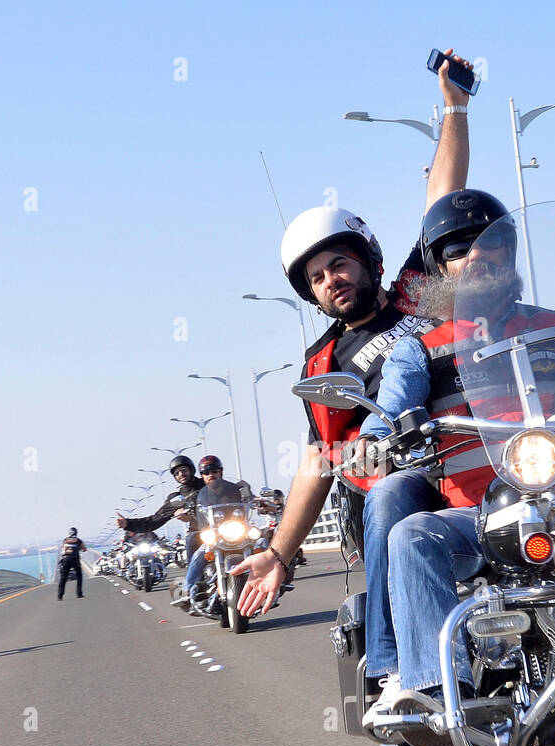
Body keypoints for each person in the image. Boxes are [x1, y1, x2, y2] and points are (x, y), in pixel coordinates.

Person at [358, 190, 555, 746]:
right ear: (439, 266)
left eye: (493, 244)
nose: (478, 256)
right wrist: (377, 441)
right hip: (483, 515)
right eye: (459, 248)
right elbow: (384, 416)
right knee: (412, 534)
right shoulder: (418, 352)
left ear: (511, 255)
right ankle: (438, 698)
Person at [232, 48, 478, 618]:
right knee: (392, 493)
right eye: (316, 279)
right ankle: (398, 670)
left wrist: (456, 111)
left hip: (484, 447)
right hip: (411, 481)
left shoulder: (420, 290)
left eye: (338, 264)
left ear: (368, 260)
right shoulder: (325, 363)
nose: (330, 281)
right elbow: (320, 457)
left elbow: (443, 196)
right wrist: (277, 553)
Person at [183, 455, 255, 611]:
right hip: (215, 536)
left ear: (220, 472)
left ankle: (275, 578)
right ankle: (187, 591)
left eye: (214, 471)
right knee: (198, 555)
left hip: (237, 532)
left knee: (261, 544)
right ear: (202, 475)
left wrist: (258, 501)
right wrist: (184, 510)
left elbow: (250, 499)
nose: (211, 475)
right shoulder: (198, 495)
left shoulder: (236, 489)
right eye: (206, 472)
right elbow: (189, 507)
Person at [117, 455, 207, 558]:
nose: (181, 474)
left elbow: (226, 492)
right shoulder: (177, 498)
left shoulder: (207, 484)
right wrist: (127, 523)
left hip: (222, 526)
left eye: (183, 470)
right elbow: (155, 520)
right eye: (176, 473)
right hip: (199, 531)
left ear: (191, 469)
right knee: (193, 545)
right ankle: (193, 575)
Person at [57, 527, 87, 600]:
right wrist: (78, 549)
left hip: (65, 559)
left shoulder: (65, 540)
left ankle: (60, 596)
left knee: (63, 578)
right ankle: (79, 594)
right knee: (79, 576)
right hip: (75, 559)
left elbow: (63, 549)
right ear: (76, 533)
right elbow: (84, 549)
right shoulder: (78, 540)